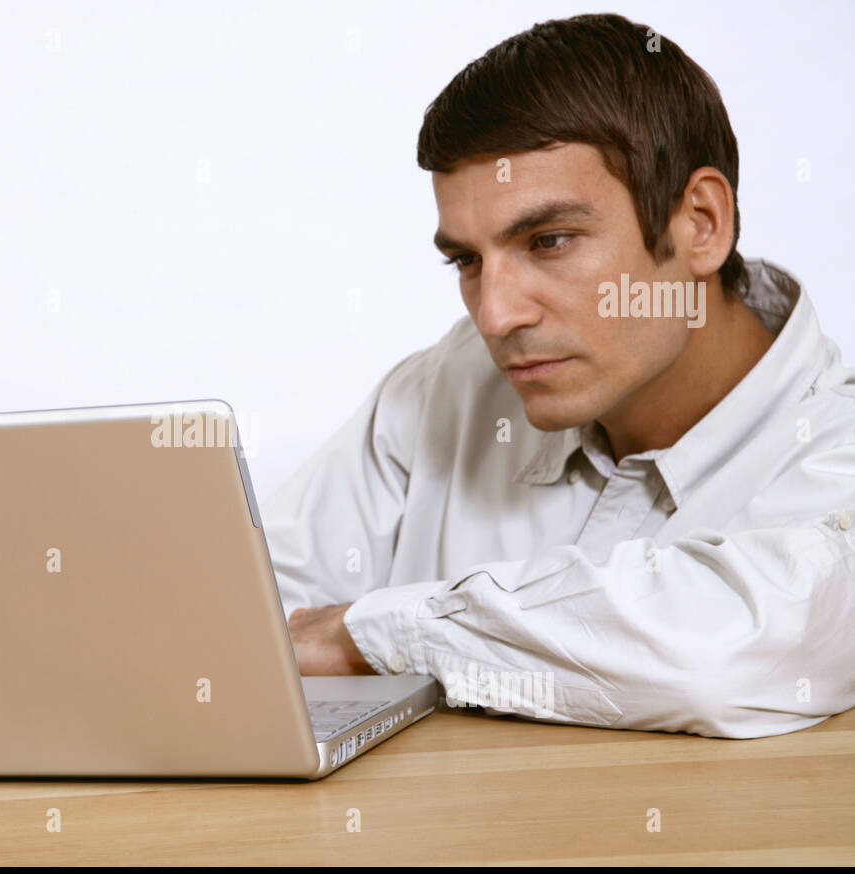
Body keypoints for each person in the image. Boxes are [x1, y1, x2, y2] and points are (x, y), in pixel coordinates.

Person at [263, 13, 855, 738]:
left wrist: (372, 635)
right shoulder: (451, 387)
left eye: (549, 241)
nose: (495, 315)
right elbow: (247, 613)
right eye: (467, 261)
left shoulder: (834, 448)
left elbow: (721, 653)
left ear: (700, 223)